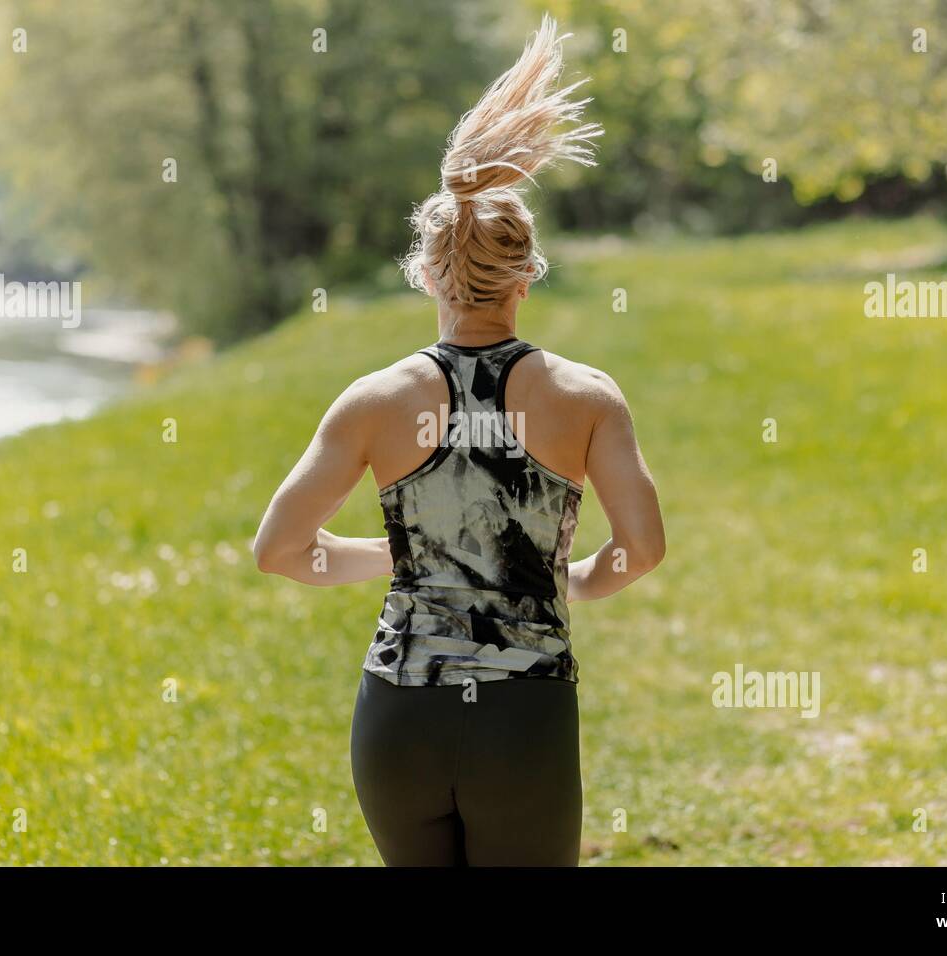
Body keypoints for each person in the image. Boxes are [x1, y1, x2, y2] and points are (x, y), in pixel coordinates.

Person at [253, 14, 665, 866]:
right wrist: (571, 578)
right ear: (525, 272)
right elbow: (644, 548)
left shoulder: (373, 400)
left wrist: (405, 562)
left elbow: (281, 550)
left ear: (428, 270)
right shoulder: (587, 398)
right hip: (525, 713)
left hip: (399, 713)